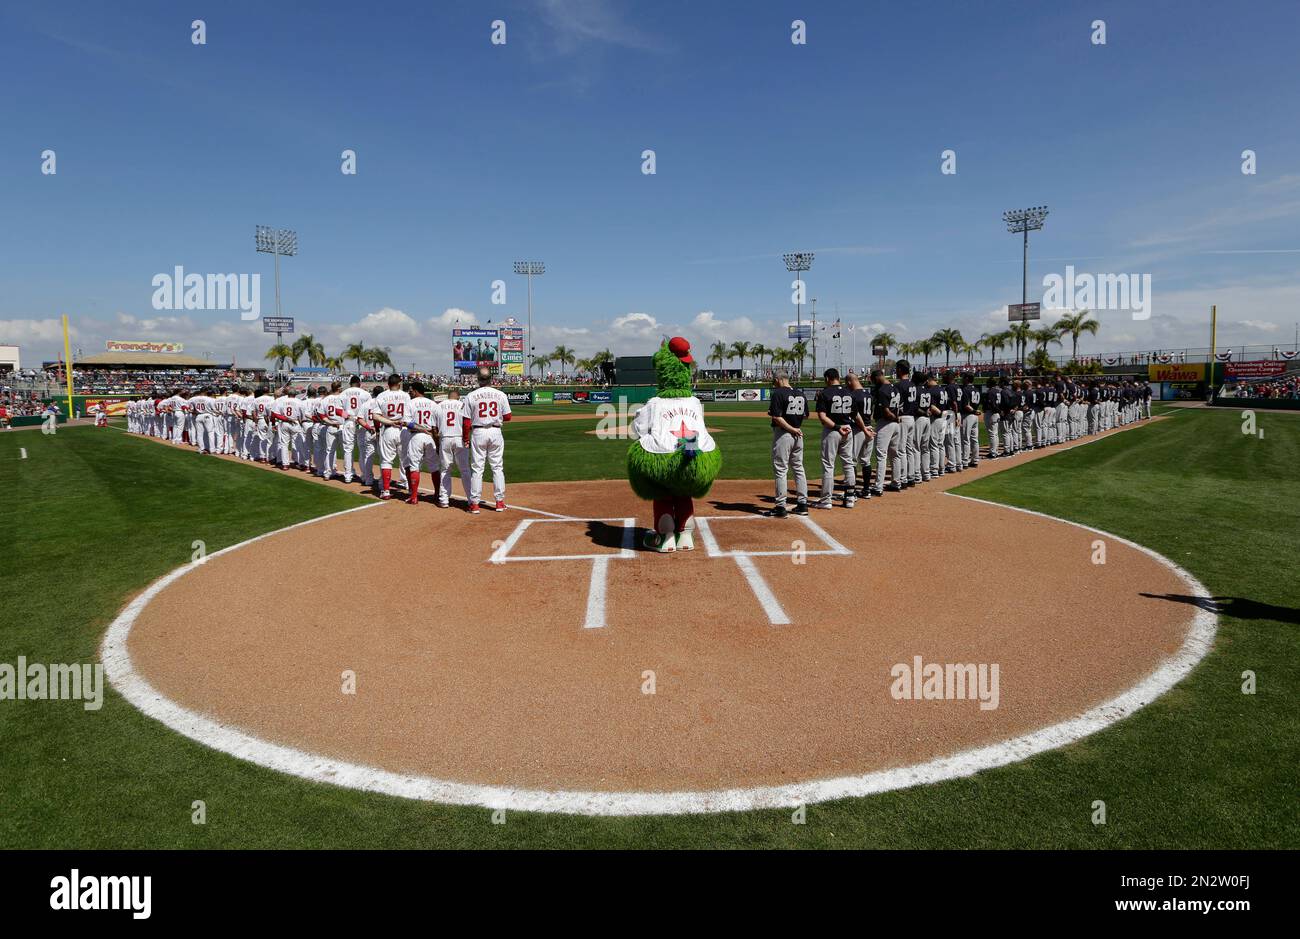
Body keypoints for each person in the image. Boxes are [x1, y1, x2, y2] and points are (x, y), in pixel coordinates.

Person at [462, 366, 512, 514]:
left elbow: (466, 422)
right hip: (495, 431)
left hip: (478, 432)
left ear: (478, 380)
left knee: (477, 469)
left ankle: (475, 504)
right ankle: (499, 502)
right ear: (491, 379)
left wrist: (465, 438)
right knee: (497, 467)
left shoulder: (471, 395)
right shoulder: (500, 394)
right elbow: (508, 417)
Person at [767, 370, 809, 517]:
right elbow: (806, 415)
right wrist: (795, 427)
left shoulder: (778, 393)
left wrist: (790, 428)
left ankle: (780, 507)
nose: (774, 383)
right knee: (798, 468)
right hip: (798, 434)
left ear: (779, 379)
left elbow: (777, 417)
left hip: (784, 434)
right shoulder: (800, 393)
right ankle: (803, 504)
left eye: (774, 381)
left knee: (781, 469)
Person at [814, 368, 856, 509]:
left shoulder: (825, 393)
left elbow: (822, 417)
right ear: (838, 377)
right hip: (848, 429)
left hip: (833, 430)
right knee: (848, 463)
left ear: (827, 378)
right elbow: (855, 415)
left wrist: (837, 427)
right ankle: (850, 498)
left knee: (828, 465)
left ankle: (826, 500)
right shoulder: (849, 392)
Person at [371, 374, 412, 500]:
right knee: (406, 460)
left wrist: (389, 422)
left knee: (386, 461)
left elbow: (375, 416)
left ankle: (386, 491)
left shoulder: (382, 395)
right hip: (403, 429)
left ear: (388, 384)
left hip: (388, 429)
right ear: (399, 383)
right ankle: (411, 489)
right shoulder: (406, 395)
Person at [402, 382, 440, 505]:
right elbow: (438, 424)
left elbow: (406, 422)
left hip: (416, 436)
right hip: (430, 436)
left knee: (414, 466)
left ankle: (414, 497)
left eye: (411, 390)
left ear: (417, 390)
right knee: (434, 466)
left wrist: (419, 428)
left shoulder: (410, 403)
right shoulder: (433, 404)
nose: (410, 392)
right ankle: (437, 494)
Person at [435, 388, 470, 508]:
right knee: (465, 470)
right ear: (458, 397)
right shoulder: (462, 405)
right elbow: (467, 424)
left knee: (445, 469)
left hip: (445, 438)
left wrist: (437, 442)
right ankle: (471, 499)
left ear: (448, 397)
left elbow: (434, 427)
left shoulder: (439, 405)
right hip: (459, 438)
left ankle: (444, 500)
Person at [869, 368, 902, 494]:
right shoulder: (895, 388)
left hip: (885, 423)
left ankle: (878, 487)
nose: (873, 383)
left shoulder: (883, 390)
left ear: (877, 377)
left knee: (881, 455)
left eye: (873, 380)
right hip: (895, 425)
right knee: (895, 455)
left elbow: (887, 412)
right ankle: (896, 482)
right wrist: (896, 418)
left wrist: (894, 417)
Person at [894, 360, 917, 487]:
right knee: (909, 449)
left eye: (897, 369)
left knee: (901, 449)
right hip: (912, 418)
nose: (896, 371)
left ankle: (903, 479)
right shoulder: (912, 384)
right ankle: (911, 477)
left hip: (903, 418)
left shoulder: (899, 385)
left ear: (900, 370)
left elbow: (897, 405)